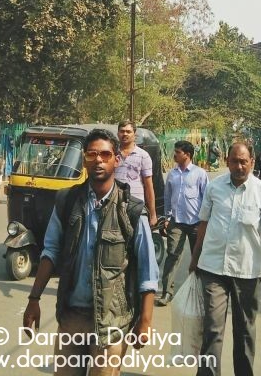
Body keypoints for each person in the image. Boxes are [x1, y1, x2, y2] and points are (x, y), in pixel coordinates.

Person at [22, 129, 158, 376]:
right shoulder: (67, 202)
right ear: (84, 159)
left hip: (112, 321)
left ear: (117, 159)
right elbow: (50, 251)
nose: (98, 160)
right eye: (92, 154)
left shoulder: (132, 211)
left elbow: (148, 271)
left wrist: (145, 321)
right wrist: (34, 299)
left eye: (105, 155)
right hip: (72, 316)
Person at [188, 141, 261, 376]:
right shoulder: (214, 187)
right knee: (212, 329)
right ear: (227, 162)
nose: (239, 166)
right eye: (234, 161)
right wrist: (194, 259)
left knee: (244, 331)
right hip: (213, 267)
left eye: (244, 161)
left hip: (247, 271)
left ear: (252, 163)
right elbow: (204, 224)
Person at [156, 140, 207, 307]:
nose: (174, 154)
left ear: (187, 154)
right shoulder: (172, 174)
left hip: (196, 223)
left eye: (178, 152)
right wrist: (166, 218)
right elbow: (167, 197)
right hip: (176, 222)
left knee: (198, 256)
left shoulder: (200, 174)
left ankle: (199, 290)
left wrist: (205, 222)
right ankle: (167, 292)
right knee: (172, 256)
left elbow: (206, 199)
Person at [114, 119, 158, 229]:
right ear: (118, 134)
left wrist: (153, 214)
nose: (125, 134)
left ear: (135, 134)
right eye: (122, 131)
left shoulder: (143, 156)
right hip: (114, 204)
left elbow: (149, 186)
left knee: (138, 241)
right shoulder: (111, 154)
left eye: (128, 131)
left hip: (136, 206)